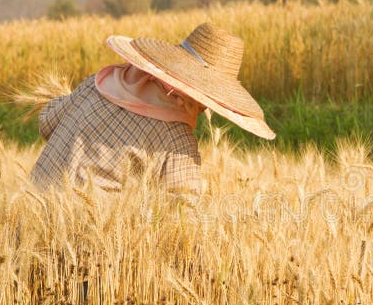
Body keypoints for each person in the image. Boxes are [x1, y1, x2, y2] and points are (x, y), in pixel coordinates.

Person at [29, 22, 275, 193]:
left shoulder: (99, 83)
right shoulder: (175, 140)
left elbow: (46, 122)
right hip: (87, 256)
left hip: (23, 229)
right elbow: (182, 218)